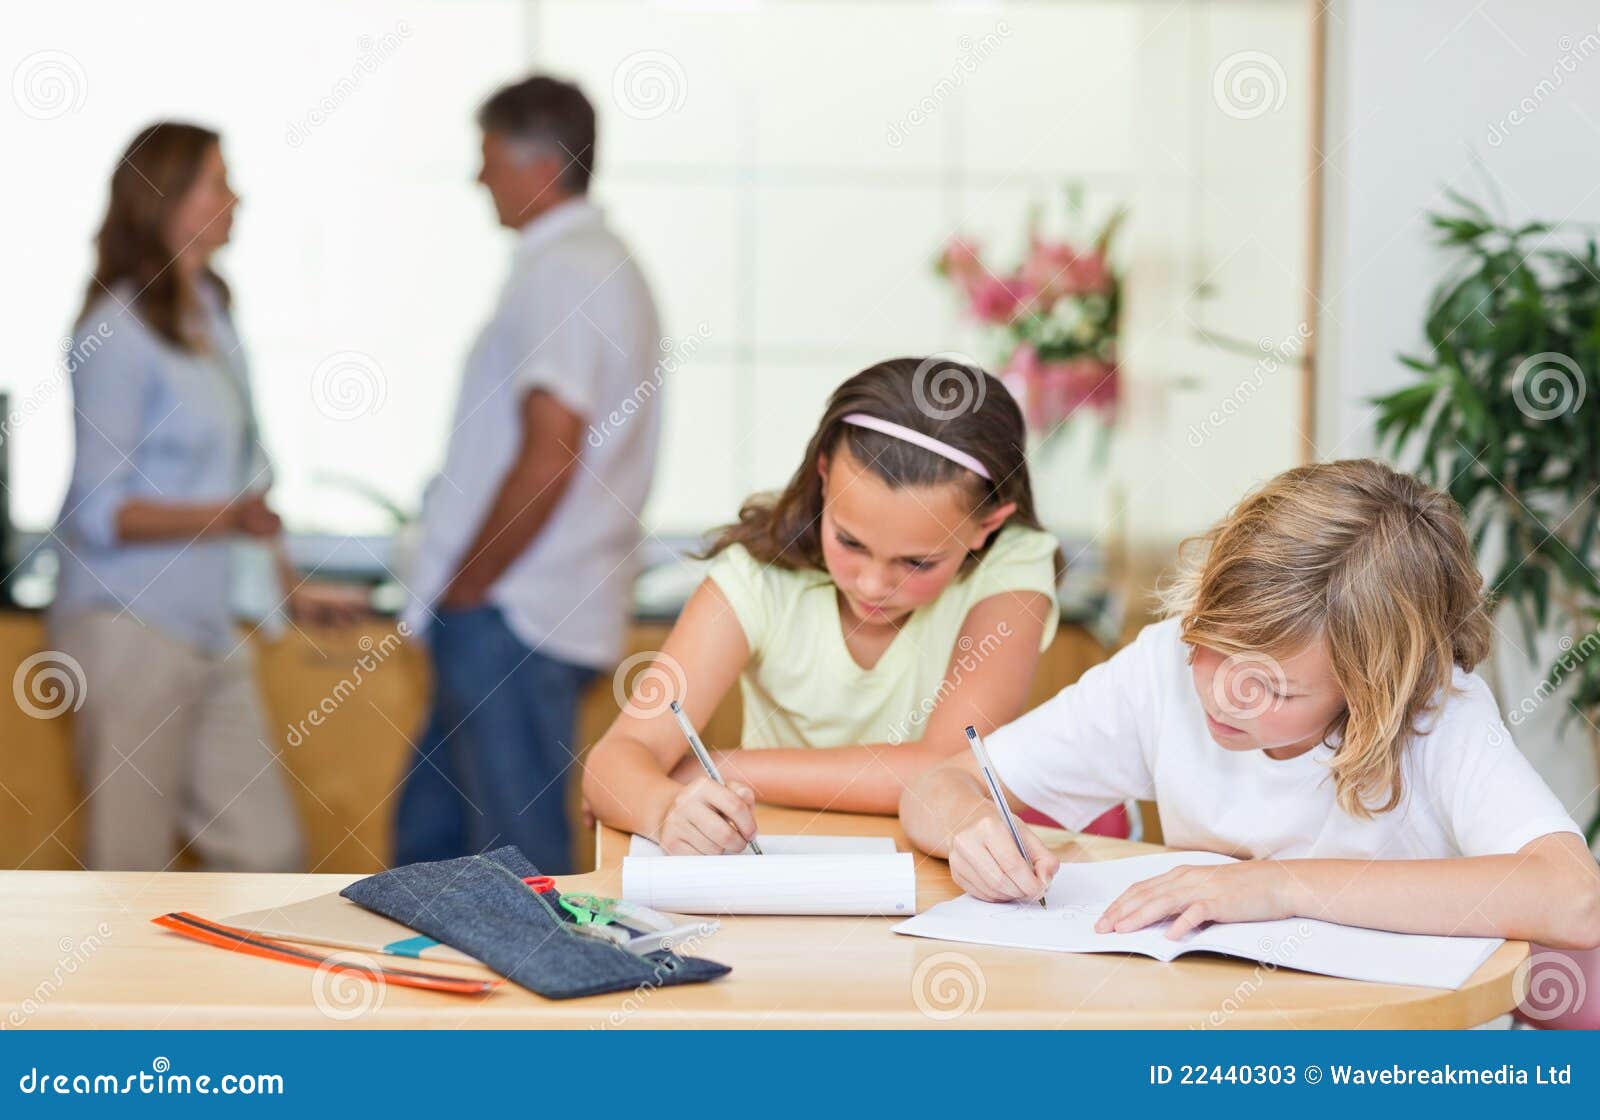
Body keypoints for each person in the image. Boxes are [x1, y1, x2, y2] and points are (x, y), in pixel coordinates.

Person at [900, 459, 1600, 950]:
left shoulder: (1435, 715)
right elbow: (938, 784)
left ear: (1372, 689)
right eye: (1212, 642)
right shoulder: (1163, 664)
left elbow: (1575, 898)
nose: (1221, 690)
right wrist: (970, 829)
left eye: (1275, 686)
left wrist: (1281, 886)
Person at [582, 356, 1062, 855]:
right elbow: (613, 762)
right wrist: (664, 809)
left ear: (988, 525)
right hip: (770, 865)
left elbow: (946, 766)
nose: (874, 585)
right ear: (825, 476)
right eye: (850, 542)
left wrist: (718, 768)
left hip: (934, 876)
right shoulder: (758, 578)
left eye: (917, 563)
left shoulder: (1014, 564)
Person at [51, 122, 362, 872]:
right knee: (127, 867)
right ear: (166, 200)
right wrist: (225, 517)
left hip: (210, 625)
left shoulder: (214, 314)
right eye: (217, 182)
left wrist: (289, 587)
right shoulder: (117, 331)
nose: (235, 198)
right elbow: (99, 511)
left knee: (268, 855)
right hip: (128, 628)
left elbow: (243, 477)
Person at [394, 76, 662, 873]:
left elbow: (551, 448)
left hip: (513, 612)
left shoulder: (565, 270)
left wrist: (470, 585)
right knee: (434, 854)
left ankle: (540, 995)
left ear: (539, 167)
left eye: (488, 161)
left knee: (514, 869)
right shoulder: (595, 263)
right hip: (526, 610)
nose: (479, 180)